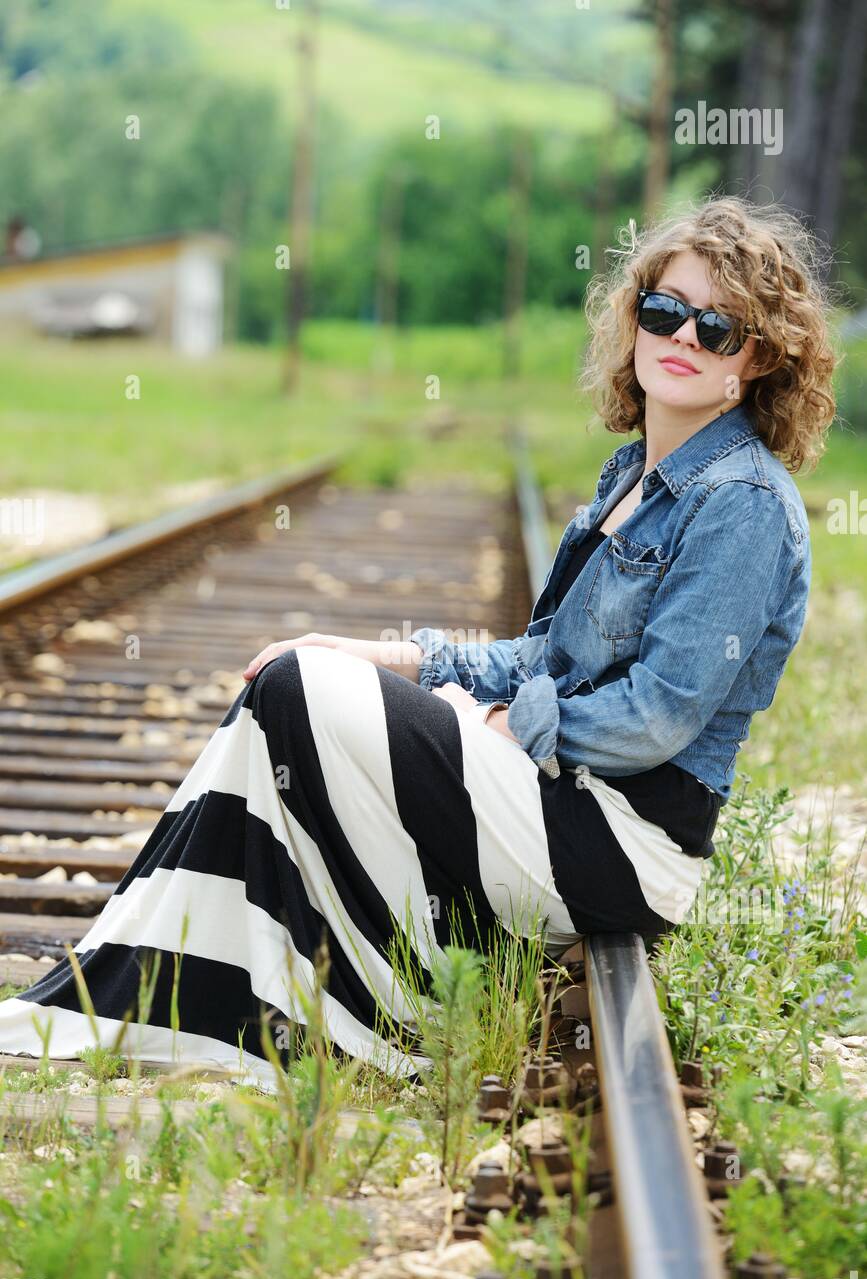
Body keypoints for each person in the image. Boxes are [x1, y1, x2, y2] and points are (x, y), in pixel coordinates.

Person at [0, 195, 837, 1087]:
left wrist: (512, 727)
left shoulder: (740, 505)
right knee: (295, 676)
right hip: (565, 801)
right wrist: (388, 656)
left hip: (623, 843)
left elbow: (659, 717)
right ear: (634, 319)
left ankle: (174, 988)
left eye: (718, 328)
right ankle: (157, 978)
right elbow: (539, 655)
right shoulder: (637, 472)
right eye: (665, 310)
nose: (682, 338)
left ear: (755, 360)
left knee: (295, 696)